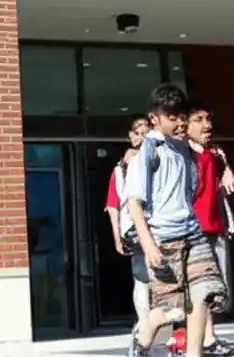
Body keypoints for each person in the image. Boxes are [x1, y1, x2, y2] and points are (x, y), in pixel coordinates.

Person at [123, 84, 227, 357]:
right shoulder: (148, 151)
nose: (179, 122)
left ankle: (195, 353)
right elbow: (134, 201)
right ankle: (147, 328)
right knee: (175, 308)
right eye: (172, 117)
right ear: (154, 118)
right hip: (163, 236)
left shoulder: (184, 149)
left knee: (204, 292)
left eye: (181, 116)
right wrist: (148, 245)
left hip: (192, 231)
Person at [166, 102, 234, 357]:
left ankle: (207, 337)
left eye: (208, 119)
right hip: (190, 230)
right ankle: (188, 338)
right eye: (199, 119)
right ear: (185, 124)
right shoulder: (179, 153)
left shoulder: (215, 155)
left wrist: (226, 168)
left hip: (214, 227)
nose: (207, 125)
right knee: (191, 288)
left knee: (212, 288)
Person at [104, 115, 153, 322]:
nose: (142, 137)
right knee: (142, 277)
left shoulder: (159, 159)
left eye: (146, 132)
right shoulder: (120, 169)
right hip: (134, 228)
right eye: (138, 132)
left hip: (160, 225)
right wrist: (117, 236)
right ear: (131, 136)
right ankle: (145, 322)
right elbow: (113, 204)